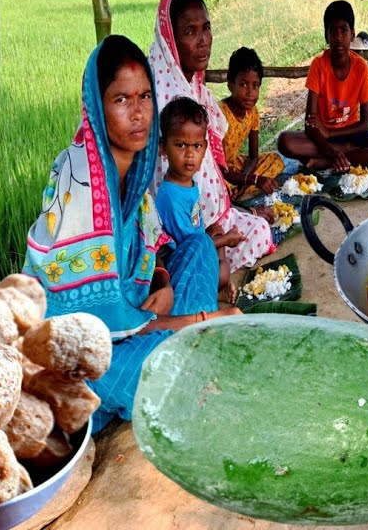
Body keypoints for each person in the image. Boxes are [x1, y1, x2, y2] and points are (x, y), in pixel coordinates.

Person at [24, 35, 239, 432]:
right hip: (82, 349)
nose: (138, 113)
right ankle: (190, 348)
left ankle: (186, 349)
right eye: (121, 100)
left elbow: (152, 244)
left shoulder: (134, 168)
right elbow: (93, 331)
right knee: (144, 368)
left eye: (143, 97)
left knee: (198, 246)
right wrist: (199, 319)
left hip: (137, 312)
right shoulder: (83, 183)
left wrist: (162, 278)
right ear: (97, 105)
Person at [148, 0, 275, 275]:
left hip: (210, 213)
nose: (204, 41)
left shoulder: (191, 84)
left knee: (258, 231)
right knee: (228, 253)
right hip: (182, 225)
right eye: (190, 32)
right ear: (170, 39)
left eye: (206, 28)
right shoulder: (163, 95)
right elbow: (180, 179)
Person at [277, 0, 368, 172]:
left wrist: (331, 135)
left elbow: (365, 123)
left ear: (353, 34)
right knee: (285, 142)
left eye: (344, 30)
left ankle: (325, 162)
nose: (339, 37)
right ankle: (343, 155)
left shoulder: (361, 67)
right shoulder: (319, 65)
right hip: (323, 138)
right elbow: (310, 123)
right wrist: (330, 149)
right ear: (326, 36)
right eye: (333, 30)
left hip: (352, 134)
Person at [156, 97, 242, 300]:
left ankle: (212, 288)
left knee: (218, 238)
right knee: (223, 270)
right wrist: (225, 240)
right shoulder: (170, 196)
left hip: (195, 249)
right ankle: (211, 292)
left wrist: (210, 233)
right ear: (163, 147)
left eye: (196, 146)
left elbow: (194, 228)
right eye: (180, 145)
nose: (189, 155)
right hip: (183, 265)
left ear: (205, 148)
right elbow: (189, 248)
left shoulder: (188, 183)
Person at [220, 46, 282, 198]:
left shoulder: (253, 113)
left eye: (255, 86)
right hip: (218, 169)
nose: (250, 93)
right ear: (230, 85)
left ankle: (239, 189)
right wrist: (254, 180)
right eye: (243, 84)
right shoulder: (219, 114)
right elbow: (220, 168)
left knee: (275, 160)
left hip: (235, 165)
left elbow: (253, 157)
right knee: (221, 187)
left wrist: (245, 180)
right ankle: (233, 191)